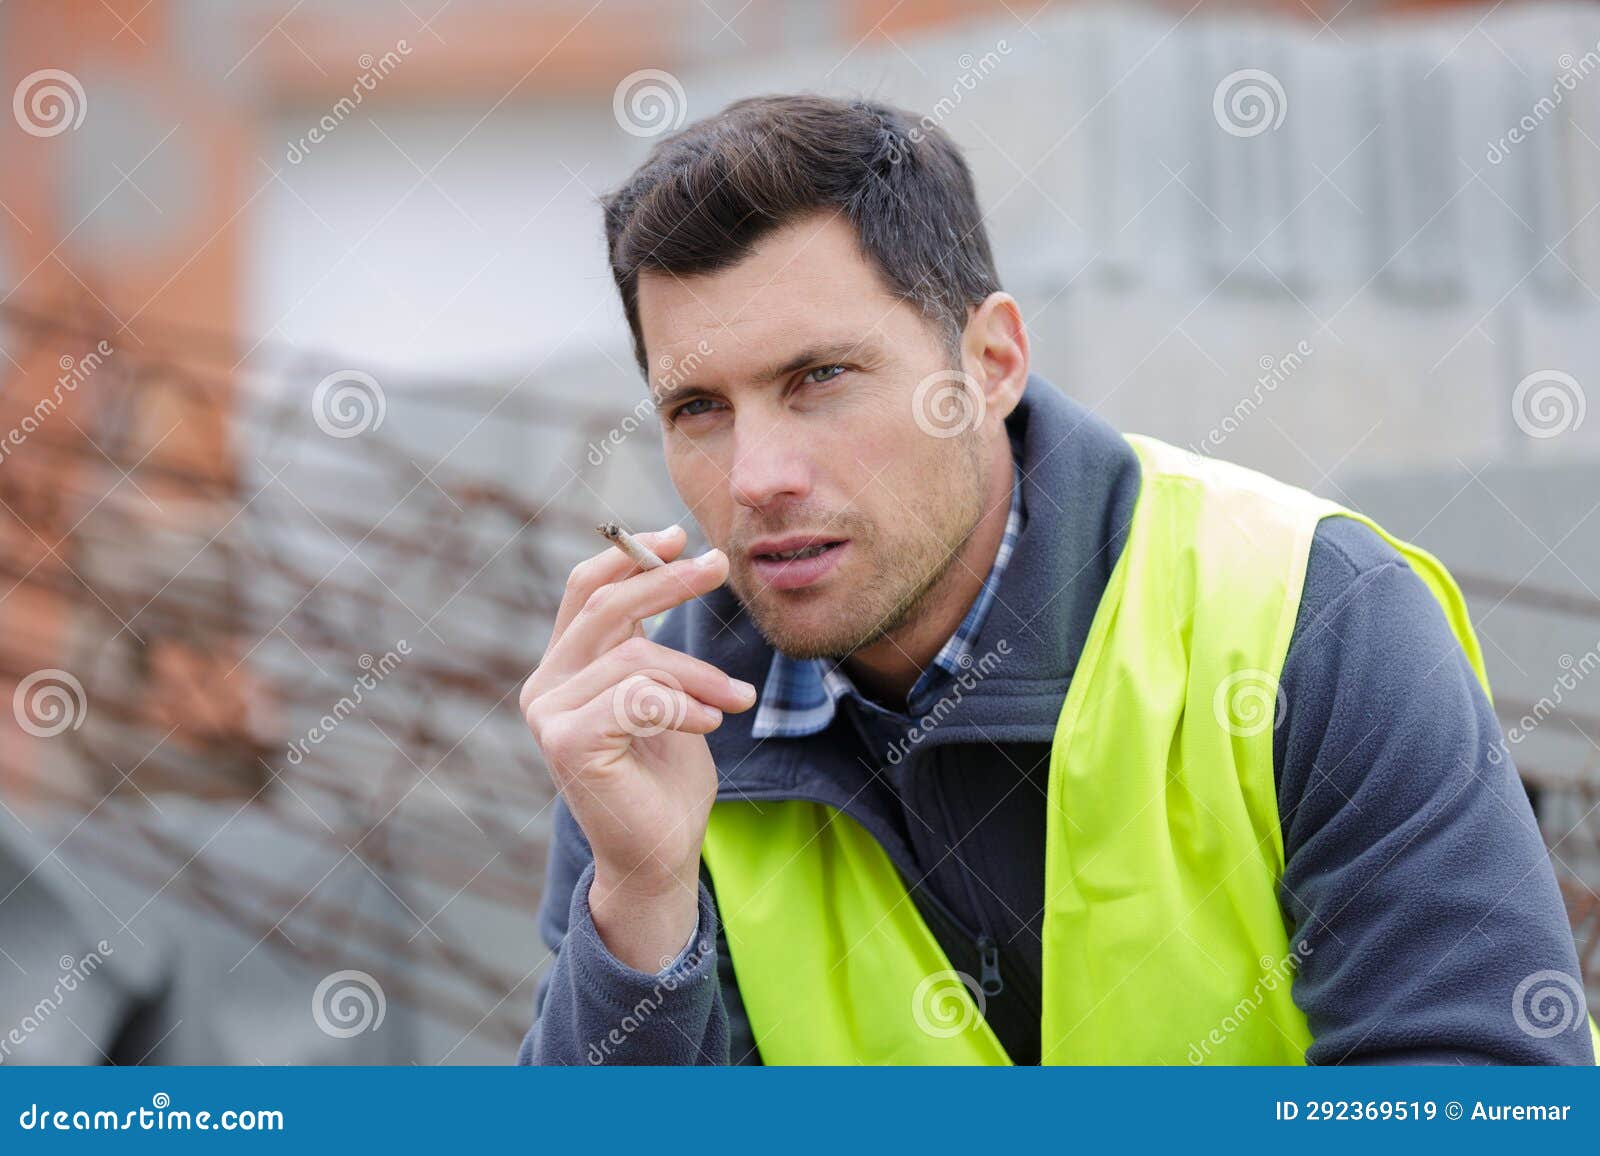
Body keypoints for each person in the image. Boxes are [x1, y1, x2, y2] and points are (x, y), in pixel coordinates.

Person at [515, 93, 1597, 1065]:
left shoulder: (1308, 618)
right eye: (697, 408)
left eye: (821, 378)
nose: (757, 478)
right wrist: (640, 903)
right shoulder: (656, 720)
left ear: (988, 363)